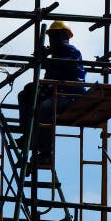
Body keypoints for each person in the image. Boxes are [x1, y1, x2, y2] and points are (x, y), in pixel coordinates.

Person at [17, 21, 86, 167]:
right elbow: (49, 80)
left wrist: (45, 60)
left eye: (54, 37)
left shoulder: (70, 51)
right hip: (57, 93)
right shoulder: (56, 55)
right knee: (25, 95)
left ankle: (46, 153)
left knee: (44, 109)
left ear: (62, 37)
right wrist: (36, 88)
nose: (51, 40)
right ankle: (28, 135)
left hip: (70, 96)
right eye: (50, 37)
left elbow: (64, 67)